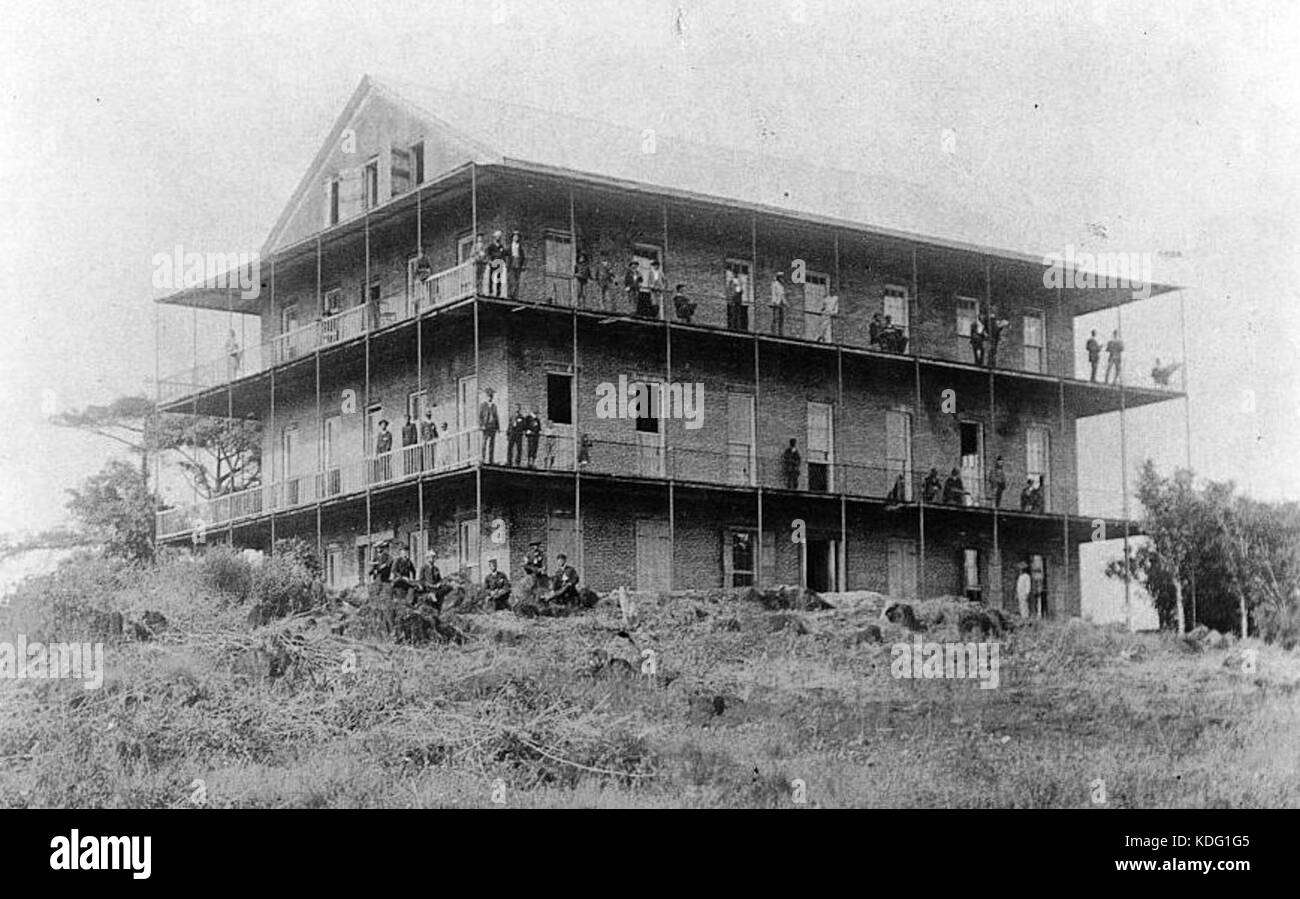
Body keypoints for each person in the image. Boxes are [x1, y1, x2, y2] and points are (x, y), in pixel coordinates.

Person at [479, 388, 500, 463]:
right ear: (486, 397)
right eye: (489, 396)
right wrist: (481, 425)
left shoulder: (494, 406)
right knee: (484, 443)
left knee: (492, 444)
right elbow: (480, 416)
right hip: (486, 426)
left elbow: (496, 416)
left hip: (492, 427)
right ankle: (483, 458)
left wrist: (498, 427)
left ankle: (491, 459)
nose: (490, 398)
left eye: (491, 396)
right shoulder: (483, 405)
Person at [487, 231, 507, 297]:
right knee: (491, 277)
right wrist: (490, 260)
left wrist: (504, 261)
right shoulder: (491, 246)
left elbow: (503, 254)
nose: (498, 238)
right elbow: (488, 253)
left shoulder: (501, 246)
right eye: (497, 236)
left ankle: (498, 293)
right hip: (493, 262)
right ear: (495, 237)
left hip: (499, 263)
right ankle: (491, 291)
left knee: (499, 278)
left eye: (499, 237)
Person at [506, 230, 526, 300]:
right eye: (515, 236)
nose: (516, 238)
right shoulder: (510, 247)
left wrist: (523, 265)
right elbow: (507, 255)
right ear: (512, 238)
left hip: (518, 263)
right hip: (512, 263)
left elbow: (523, 257)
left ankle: (515, 295)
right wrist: (507, 264)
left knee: (517, 280)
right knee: (511, 279)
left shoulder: (520, 247)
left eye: (517, 236)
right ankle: (510, 294)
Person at [769, 271, 787, 336]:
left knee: (781, 319)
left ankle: (780, 333)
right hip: (777, 303)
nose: (783, 279)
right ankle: (773, 332)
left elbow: (782, 295)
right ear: (779, 278)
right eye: (781, 277)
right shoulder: (775, 284)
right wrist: (774, 302)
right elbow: (773, 293)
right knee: (775, 318)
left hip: (781, 304)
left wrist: (785, 303)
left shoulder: (781, 286)